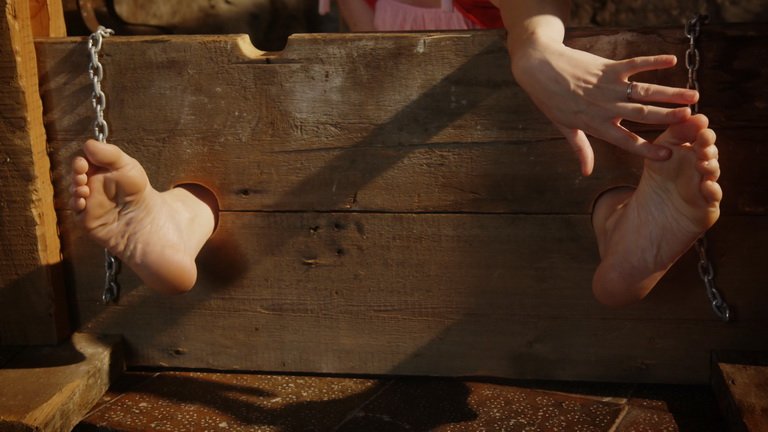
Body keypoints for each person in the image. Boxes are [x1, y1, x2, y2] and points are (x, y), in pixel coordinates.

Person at [70, 0, 721, 305]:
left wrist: (535, 47)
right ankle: (184, 218)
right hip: (362, 147)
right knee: (295, 139)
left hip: (517, 149)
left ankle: (621, 226)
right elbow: (357, 73)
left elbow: (529, 7)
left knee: (572, 169)